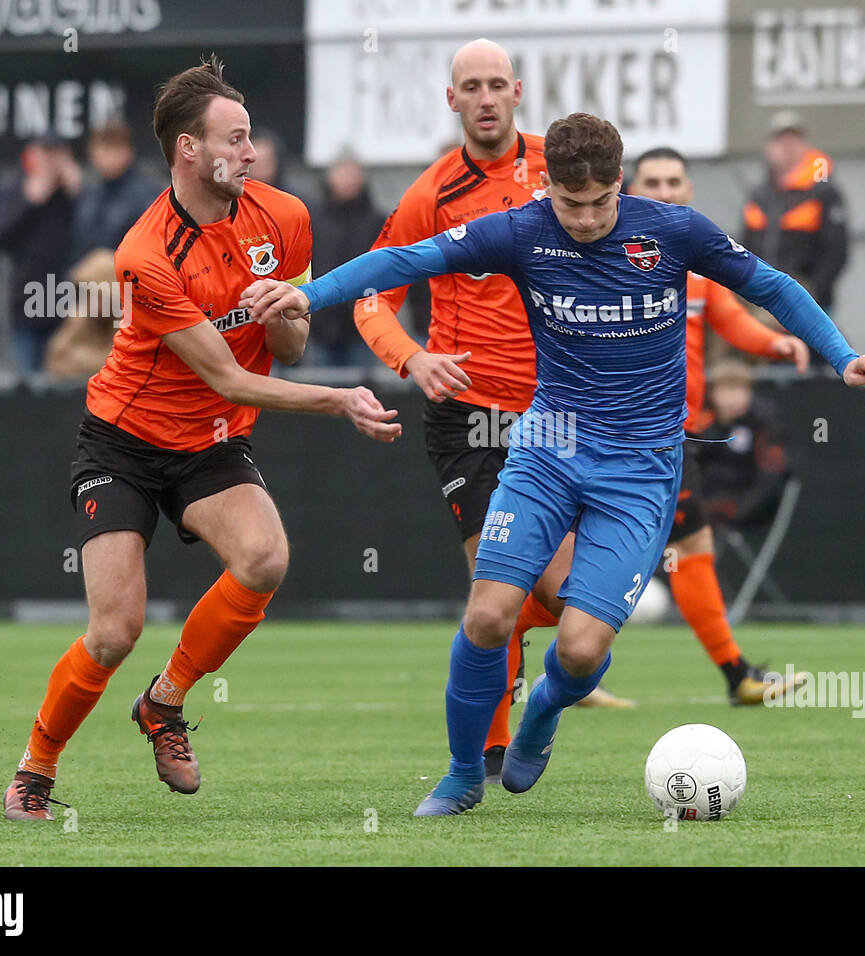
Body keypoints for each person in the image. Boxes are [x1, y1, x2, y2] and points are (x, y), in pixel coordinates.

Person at [300, 111, 865, 815]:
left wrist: (846, 355)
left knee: (581, 651)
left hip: (640, 470)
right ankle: (463, 775)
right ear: (545, 184)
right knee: (489, 615)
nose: (583, 219)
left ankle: (545, 714)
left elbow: (771, 287)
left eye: (598, 202)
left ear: (622, 183)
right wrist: (304, 295)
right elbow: (404, 260)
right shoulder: (522, 229)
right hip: (545, 451)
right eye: (568, 202)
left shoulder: (672, 230)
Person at [2, 55, 401, 822]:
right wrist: (339, 400)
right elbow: (230, 378)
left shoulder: (284, 217)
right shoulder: (144, 255)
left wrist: (281, 313)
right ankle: (36, 769)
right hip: (124, 441)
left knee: (264, 557)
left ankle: (165, 702)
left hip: (211, 444)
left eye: (250, 138)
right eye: (237, 138)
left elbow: (285, 350)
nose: (252, 153)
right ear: (190, 149)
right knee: (114, 631)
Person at [351, 39, 570, 781]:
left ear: (517, 90)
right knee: (495, 587)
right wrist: (411, 358)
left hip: (559, 413)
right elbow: (373, 295)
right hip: (470, 417)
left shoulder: (560, 169)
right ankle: (489, 750)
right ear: (452, 101)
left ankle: (525, 685)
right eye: (468, 86)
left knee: (565, 601)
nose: (483, 97)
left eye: (495, 85)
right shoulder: (429, 195)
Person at [629, 146, 811, 704]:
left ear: (689, 192)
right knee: (578, 555)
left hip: (671, 435)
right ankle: (551, 672)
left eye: (673, 181)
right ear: (630, 189)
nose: (663, 190)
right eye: (651, 181)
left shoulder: (694, 267)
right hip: (619, 432)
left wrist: (774, 341)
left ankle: (737, 674)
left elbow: (732, 321)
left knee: (687, 542)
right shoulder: (607, 259)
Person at [739, 111, 848, 317]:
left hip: (809, 303)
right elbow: (744, 248)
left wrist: (812, 296)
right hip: (760, 302)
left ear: (805, 147)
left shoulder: (823, 191)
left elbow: (836, 253)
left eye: (794, 141)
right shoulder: (758, 195)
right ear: (769, 149)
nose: (787, 147)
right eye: (781, 141)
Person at [0, 136, 81, 373]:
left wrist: (78, 195)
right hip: (26, 301)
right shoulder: (17, 188)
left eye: (57, 154)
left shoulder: (77, 193)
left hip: (68, 301)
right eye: (46, 154)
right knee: (27, 385)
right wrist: (28, 202)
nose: (51, 162)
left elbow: (95, 240)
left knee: (66, 381)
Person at [306, 151, 386, 367]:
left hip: (363, 326)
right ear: (330, 178)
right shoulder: (314, 220)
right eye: (342, 174)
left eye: (352, 175)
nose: (347, 181)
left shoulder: (376, 221)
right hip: (321, 325)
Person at [696, 360, 791, 529]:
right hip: (702, 505)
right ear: (712, 393)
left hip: (748, 508)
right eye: (726, 390)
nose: (732, 398)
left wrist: (740, 509)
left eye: (739, 389)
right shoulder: (700, 421)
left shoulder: (764, 422)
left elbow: (771, 474)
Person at [70, 122, 163, 264]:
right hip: (85, 280)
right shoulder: (89, 193)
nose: (105, 155)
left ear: (128, 152)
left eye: (112, 148)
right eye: (100, 148)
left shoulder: (145, 195)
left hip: (127, 277)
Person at [42, 248, 118, 381]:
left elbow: (122, 366)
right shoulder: (81, 317)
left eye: (97, 294)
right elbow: (55, 361)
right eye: (87, 293)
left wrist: (79, 357)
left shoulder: (127, 321)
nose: (90, 300)